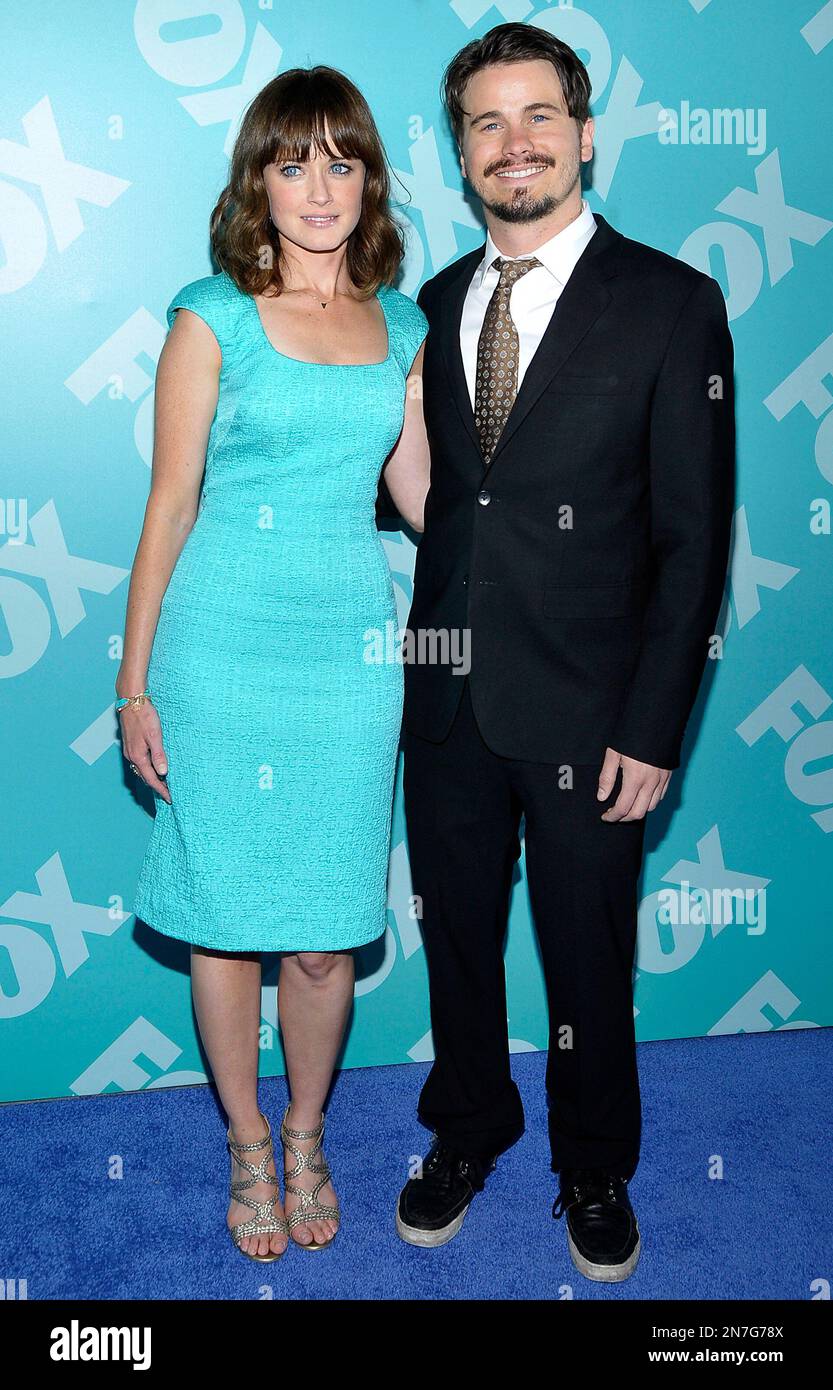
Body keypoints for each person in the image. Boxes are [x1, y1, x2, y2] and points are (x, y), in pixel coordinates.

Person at [386, 22, 735, 1282]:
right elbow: (445, 504)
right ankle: (467, 1127)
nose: (513, 142)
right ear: (460, 151)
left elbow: (693, 543)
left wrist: (654, 725)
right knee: (459, 938)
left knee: (588, 951)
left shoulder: (670, 302)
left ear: (584, 137)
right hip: (446, 700)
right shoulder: (427, 306)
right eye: (485, 122)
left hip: (595, 711)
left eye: (538, 116)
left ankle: (593, 1162)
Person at [118, 65, 429, 1262]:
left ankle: (308, 1131)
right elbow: (170, 499)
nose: (317, 187)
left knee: (320, 929)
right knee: (229, 921)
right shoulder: (212, 314)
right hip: (222, 648)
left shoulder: (399, 321)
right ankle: (246, 1142)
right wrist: (134, 680)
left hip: (350, 655)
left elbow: (414, 492)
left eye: (339, 161)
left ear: (368, 181)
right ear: (257, 180)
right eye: (291, 162)